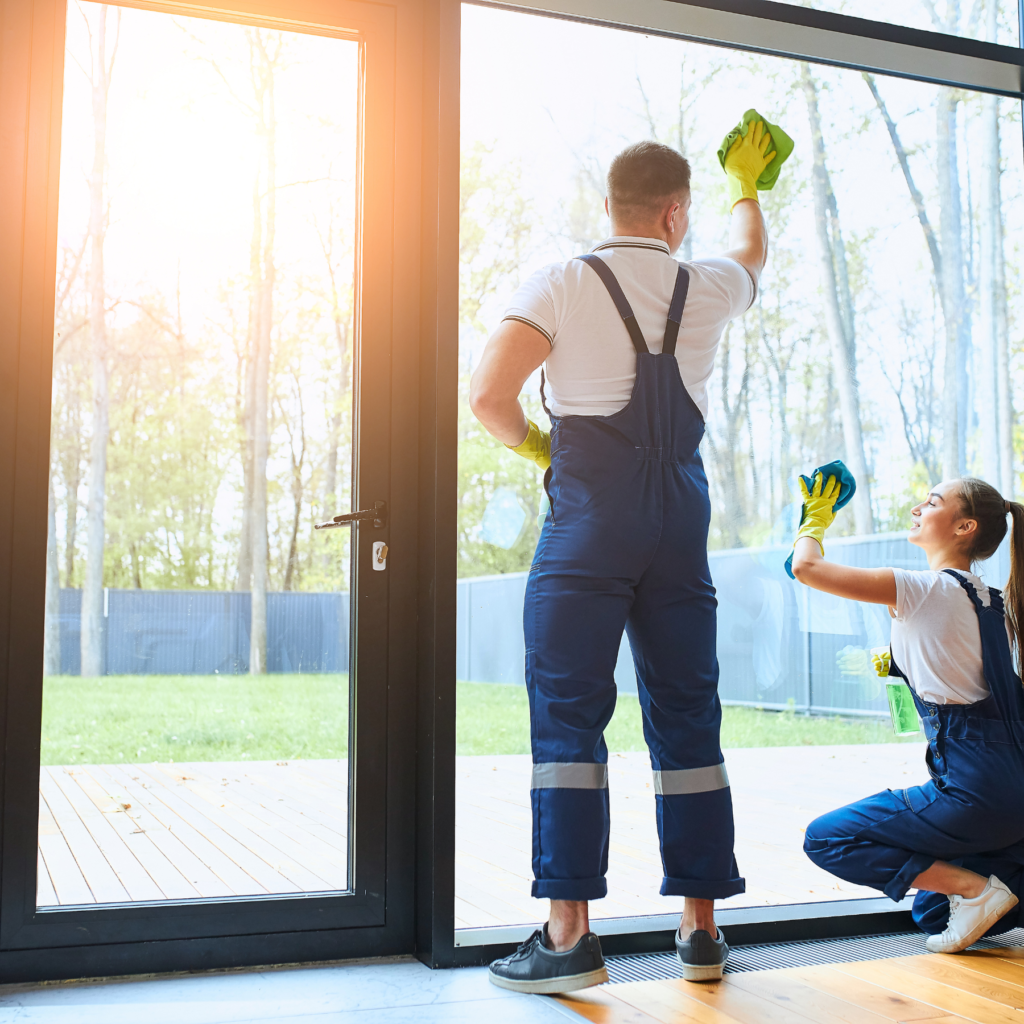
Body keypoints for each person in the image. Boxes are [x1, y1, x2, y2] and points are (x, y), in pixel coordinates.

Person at [473, 124, 780, 994]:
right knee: (688, 715)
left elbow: (489, 396)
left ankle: (569, 939)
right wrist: (747, 183)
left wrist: (541, 448)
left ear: (608, 206)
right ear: (676, 214)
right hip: (678, 524)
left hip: (589, 525)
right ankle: (701, 931)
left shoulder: (562, 282)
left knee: (570, 720)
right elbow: (752, 250)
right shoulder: (712, 283)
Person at [790, 473, 1024, 953]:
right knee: (930, 910)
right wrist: (899, 663)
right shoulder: (988, 599)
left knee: (828, 839)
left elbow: (807, 569)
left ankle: (975, 889)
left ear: (964, 528)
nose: (919, 507)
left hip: (974, 790)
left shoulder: (928, 588)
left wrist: (814, 519)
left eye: (933, 501)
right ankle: (991, 886)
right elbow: (967, 675)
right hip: (1015, 791)